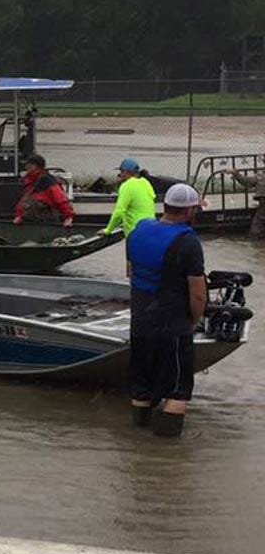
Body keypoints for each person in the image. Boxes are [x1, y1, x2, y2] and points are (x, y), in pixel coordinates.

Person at [126, 183, 207, 438]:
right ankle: (164, 457)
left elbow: (130, 272)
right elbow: (197, 292)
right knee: (177, 390)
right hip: (171, 325)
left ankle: (138, 443)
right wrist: (195, 319)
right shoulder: (188, 242)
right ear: (190, 210)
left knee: (141, 387)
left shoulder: (138, 231)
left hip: (139, 321)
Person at [100, 157, 157, 237]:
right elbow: (148, 201)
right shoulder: (146, 183)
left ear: (126, 172)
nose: (120, 175)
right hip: (151, 228)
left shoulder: (126, 186)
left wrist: (108, 230)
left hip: (136, 233)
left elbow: (119, 211)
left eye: (121, 171)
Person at [13, 154, 73, 227]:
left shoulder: (47, 180)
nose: (26, 167)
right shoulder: (28, 180)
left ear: (35, 166)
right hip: (30, 222)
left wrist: (68, 217)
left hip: (47, 222)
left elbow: (60, 199)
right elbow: (23, 202)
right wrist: (18, 215)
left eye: (28, 164)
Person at [224, 166, 265, 239]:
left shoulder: (260, 176)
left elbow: (246, 181)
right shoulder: (260, 176)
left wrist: (235, 173)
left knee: (256, 231)